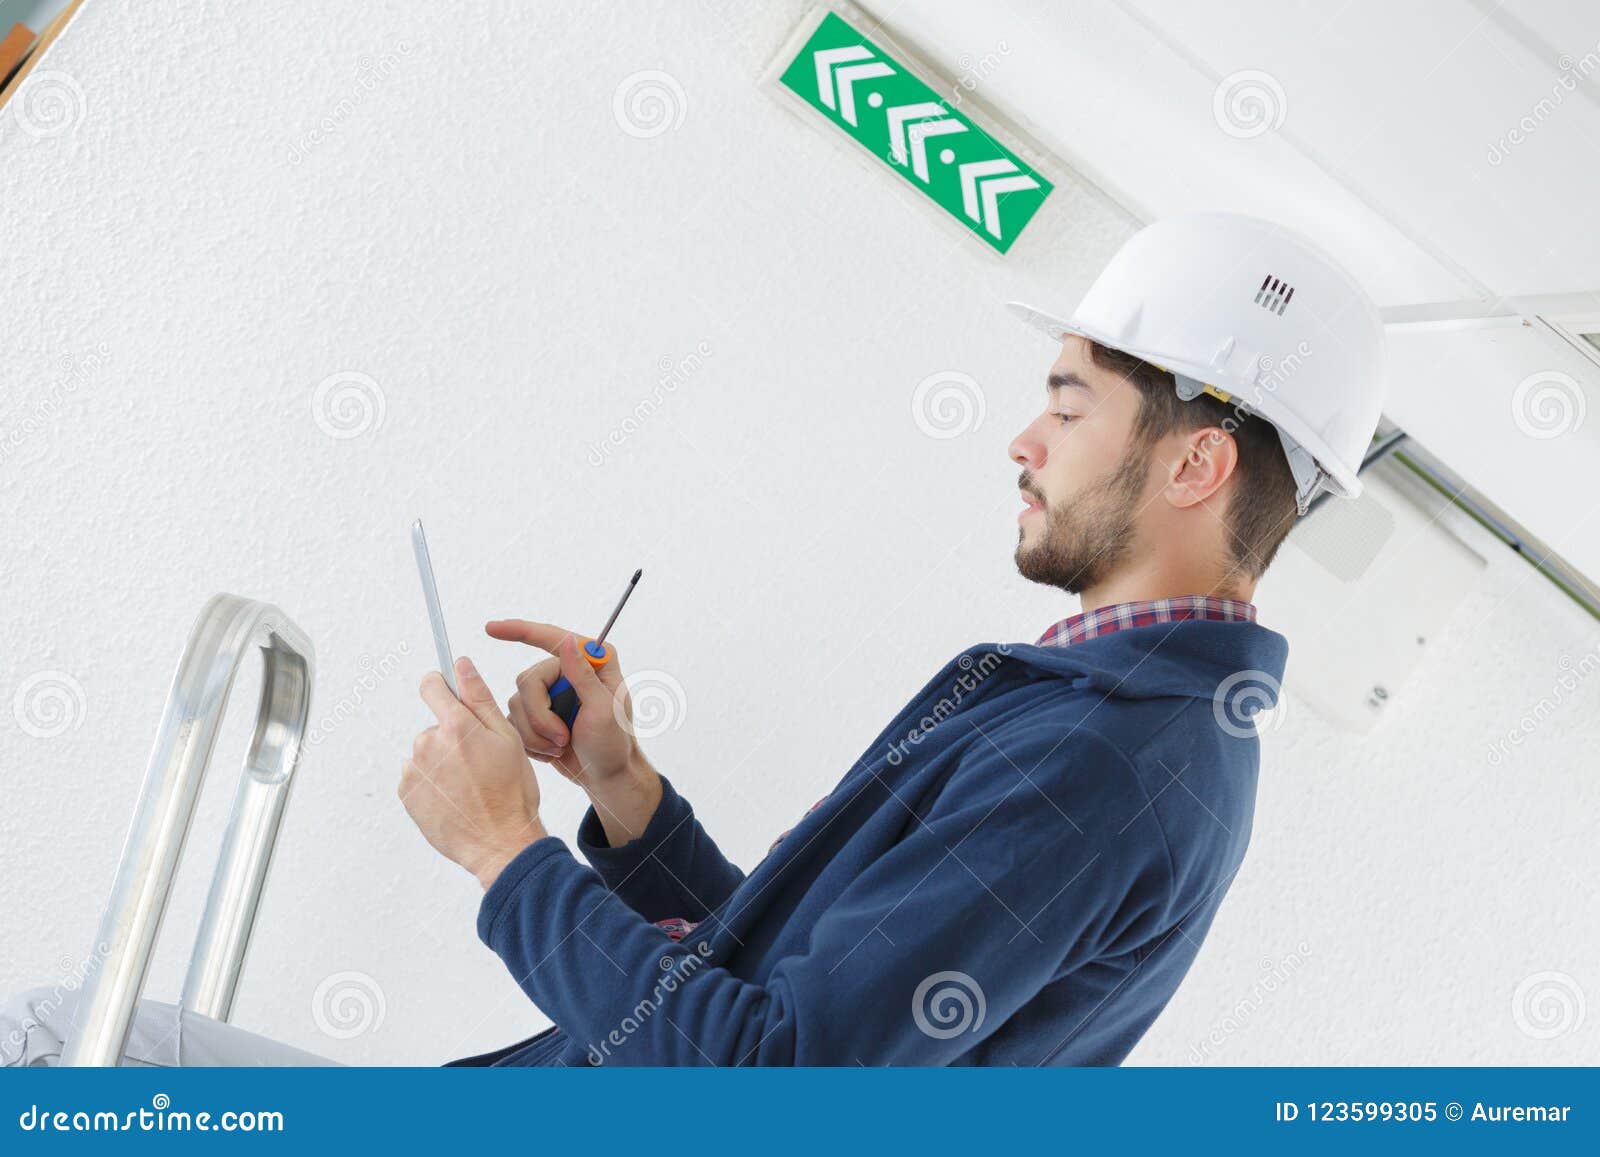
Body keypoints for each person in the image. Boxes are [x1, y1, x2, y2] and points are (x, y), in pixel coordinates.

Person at [3, 212, 1385, 1067]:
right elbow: (799, 997)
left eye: (1071, 406)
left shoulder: (1107, 765)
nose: (1025, 440)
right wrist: (622, 791)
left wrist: (504, 854)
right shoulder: (1106, 720)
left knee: (61, 1047)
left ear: (1196, 463)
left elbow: (767, 1088)